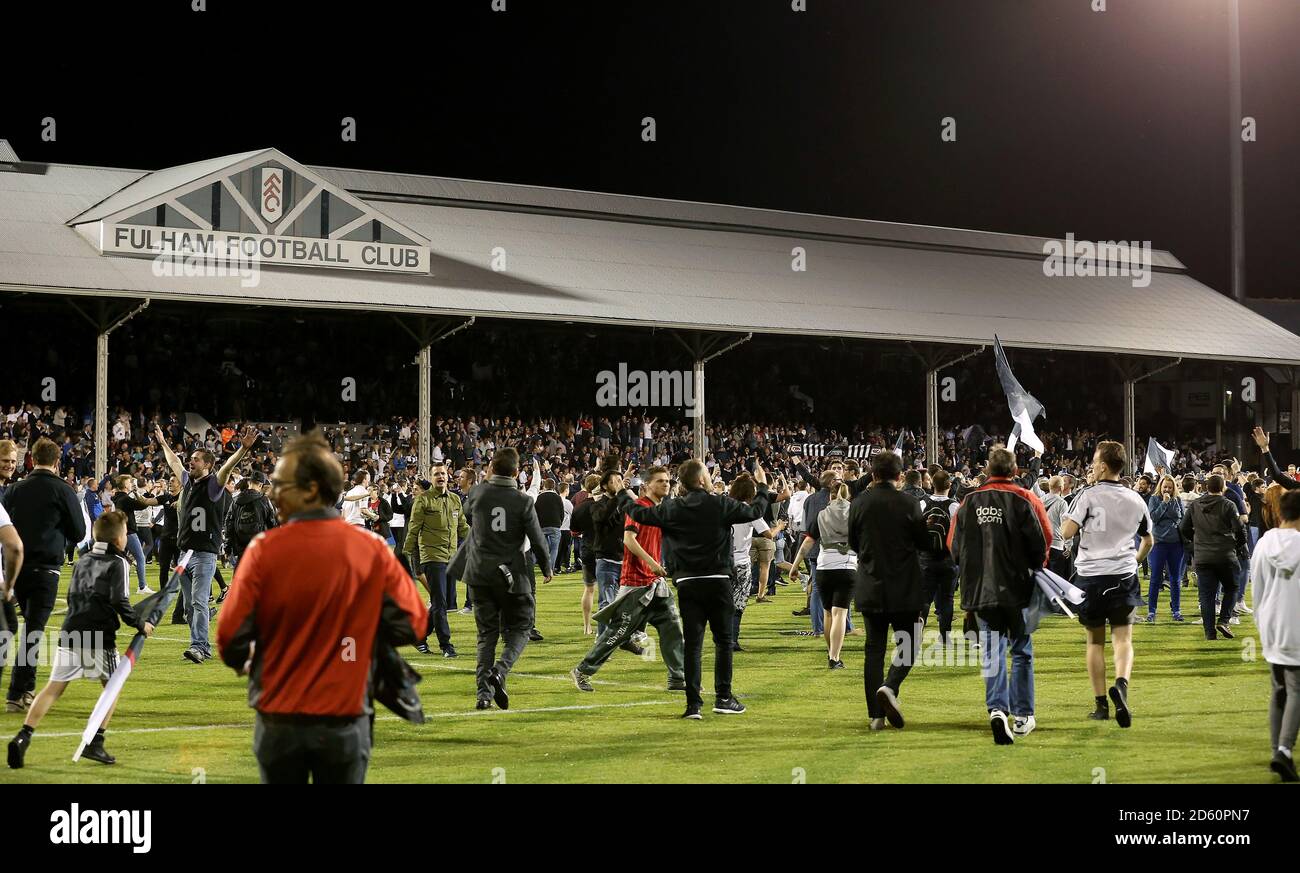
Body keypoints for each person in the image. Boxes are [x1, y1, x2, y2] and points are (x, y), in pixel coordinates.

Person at [216, 431, 425, 784]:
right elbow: (414, 622)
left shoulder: (263, 550)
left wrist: (252, 657)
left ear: (311, 489)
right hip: (345, 719)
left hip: (279, 719)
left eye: (281, 485)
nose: (273, 494)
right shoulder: (370, 549)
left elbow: (228, 638)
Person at [623, 459, 784, 719]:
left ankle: (693, 705)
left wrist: (622, 489)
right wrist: (763, 486)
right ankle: (723, 697)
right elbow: (754, 512)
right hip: (718, 579)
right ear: (701, 480)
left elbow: (638, 513)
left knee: (693, 645)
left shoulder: (672, 507)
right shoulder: (719, 503)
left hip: (688, 583)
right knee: (723, 641)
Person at [7, 511, 154, 769]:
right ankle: (95, 742)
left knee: (53, 687)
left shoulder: (82, 559)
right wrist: (140, 624)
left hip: (71, 629)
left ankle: (23, 736)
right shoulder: (119, 563)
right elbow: (120, 600)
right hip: (99, 635)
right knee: (112, 688)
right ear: (120, 538)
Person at [950, 446, 1051, 745]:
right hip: (1018, 589)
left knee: (992, 651)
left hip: (981, 589)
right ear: (1015, 469)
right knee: (1021, 651)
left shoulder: (968, 501)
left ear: (988, 469)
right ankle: (1022, 715)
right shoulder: (1025, 498)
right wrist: (1035, 567)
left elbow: (953, 546)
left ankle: (996, 710)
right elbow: (1042, 540)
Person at [449, 447, 552, 710]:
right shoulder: (523, 501)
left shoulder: (479, 492)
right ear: (517, 473)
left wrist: (486, 479)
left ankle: (483, 695)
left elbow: (468, 512)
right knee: (521, 627)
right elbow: (537, 537)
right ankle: (501, 670)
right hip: (511, 575)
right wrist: (546, 566)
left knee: (486, 636)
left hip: (479, 573)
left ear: (492, 469)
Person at [1060, 441, 1152, 727]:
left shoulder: (1087, 495)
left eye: (1094, 461)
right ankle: (1121, 686)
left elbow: (1066, 532)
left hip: (1091, 576)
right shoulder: (1136, 498)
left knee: (1095, 641)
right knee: (1123, 638)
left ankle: (1101, 705)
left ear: (1102, 466)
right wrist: (1135, 561)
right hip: (1123, 575)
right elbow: (1148, 540)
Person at [572, 466, 685, 692]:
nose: (666, 484)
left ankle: (678, 678)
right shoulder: (639, 508)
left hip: (655, 583)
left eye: (668, 481)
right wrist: (653, 563)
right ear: (646, 485)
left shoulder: (658, 510)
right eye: (661, 481)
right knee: (618, 632)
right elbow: (629, 540)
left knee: (672, 628)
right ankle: (583, 670)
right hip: (636, 583)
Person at [154, 421, 258, 664]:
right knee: (191, 605)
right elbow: (174, 462)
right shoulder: (188, 483)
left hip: (203, 554)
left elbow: (227, 468)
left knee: (198, 601)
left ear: (209, 465)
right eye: (191, 458)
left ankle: (200, 647)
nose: (191, 461)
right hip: (184, 554)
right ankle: (205, 621)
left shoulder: (213, 485)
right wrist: (162, 443)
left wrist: (242, 450)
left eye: (197, 459)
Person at [1, 437, 87, 712]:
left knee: (14, 629)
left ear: (32, 458)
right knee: (33, 631)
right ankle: (18, 692)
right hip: (45, 570)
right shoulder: (63, 490)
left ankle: (21, 688)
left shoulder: (14, 489)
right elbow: (79, 532)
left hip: (15, 568)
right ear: (57, 460)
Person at [847, 450, 931, 731]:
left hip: (871, 583)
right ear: (899, 476)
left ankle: (876, 716)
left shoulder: (859, 503)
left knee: (873, 649)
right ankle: (891, 686)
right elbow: (923, 543)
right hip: (904, 586)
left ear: (873, 475)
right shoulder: (909, 503)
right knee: (909, 642)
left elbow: (854, 543)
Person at [1250, 488, 1300, 782]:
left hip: (1271, 623)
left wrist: (1261, 621)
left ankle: (1276, 749)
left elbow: (1256, 586)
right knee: (1296, 689)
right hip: (1295, 625)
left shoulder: (1265, 543)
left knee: (1279, 689)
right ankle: (1284, 750)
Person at [404, 463, 468, 658]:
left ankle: (420, 635)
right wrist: (405, 554)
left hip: (451, 556)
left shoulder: (455, 500)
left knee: (445, 602)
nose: (440, 476)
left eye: (443, 473)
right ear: (431, 478)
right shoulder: (423, 501)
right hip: (432, 556)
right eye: (436, 474)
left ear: (448, 476)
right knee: (440, 602)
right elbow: (413, 528)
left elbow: (463, 527)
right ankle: (446, 645)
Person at [791, 480, 856, 668]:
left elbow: (807, 542)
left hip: (824, 567)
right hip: (847, 566)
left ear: (830, 496)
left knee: (828, 614)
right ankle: (834, 657)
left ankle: (831, 654)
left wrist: (795, 565)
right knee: (840, 614)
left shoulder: (821, 515)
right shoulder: (854, 513)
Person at [1179, 473, 1247, 642]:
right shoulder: (1228, 505)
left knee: (1206, 595)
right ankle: (1224, 620)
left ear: (1205, 488)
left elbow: (1183, 528)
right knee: (1232, 588)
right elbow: (1239, 530)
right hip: (1225, 555)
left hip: (1202, 557)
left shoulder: (1195, 505)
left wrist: (1195, 543)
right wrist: (1238, 545)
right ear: (1223, 487)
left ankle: (1210, 633)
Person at [727, 474, 771, 652]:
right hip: (742, 562)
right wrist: (780, 528)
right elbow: (768, 534)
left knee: (726, 602)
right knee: (739, 603)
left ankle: (723, 638)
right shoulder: (749, 510)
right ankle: (732, 640)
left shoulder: (724, 507)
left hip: (725, 561)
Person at [917, 470, 959, 643]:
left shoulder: (921, 503)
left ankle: (918, 628)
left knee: (924, 597)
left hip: (925, 558)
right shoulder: (954, 506)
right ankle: (945, 635)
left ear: (932, 485)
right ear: (949, 486)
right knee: (947, 598)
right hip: (947, 558)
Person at [1144, 475, 1185, 623]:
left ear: (1174, 488)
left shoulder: (1178, 500)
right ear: (1160, 487)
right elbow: (1153, 517)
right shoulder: (1154, 499)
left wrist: (1170, 505)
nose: (1167, 489)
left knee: (1175, 579)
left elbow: (1181, 517)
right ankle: (1151, 611)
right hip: (1159, 543)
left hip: (1176, 544)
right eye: (1165, 487)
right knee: (1155, 578)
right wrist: (1164, 504)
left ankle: (1176, 609)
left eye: (1170, 487)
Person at [223, 473, 277, 571]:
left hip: (240, 548)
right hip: (260, 548)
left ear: (250, 483)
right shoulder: (264, 501)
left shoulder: (235, 501)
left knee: (240, 580)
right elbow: (273, 524)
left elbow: (229, 525)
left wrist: (227, 548)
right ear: (260, 485)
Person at [570, 473, 602, 634]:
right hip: (605, 550)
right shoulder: (604, 505)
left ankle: (587, 626)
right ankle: (607, 626)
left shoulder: (579, 506)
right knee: (609, 589)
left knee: (589, 589)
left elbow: (574, 531)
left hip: (587, 548)